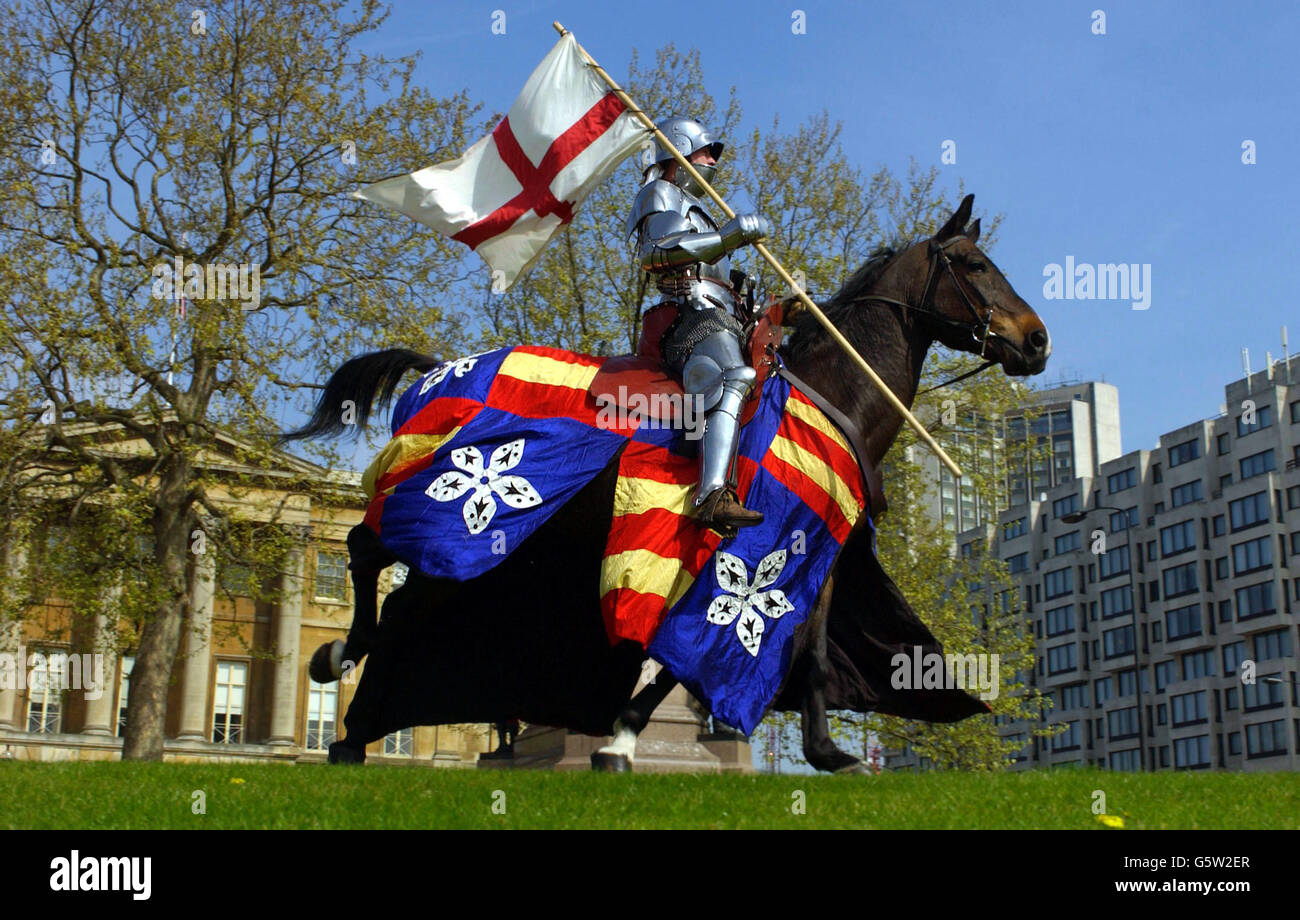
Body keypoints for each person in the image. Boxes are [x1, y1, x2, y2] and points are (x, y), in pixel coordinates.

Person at [626, 116, 772, 531]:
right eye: (706, 152)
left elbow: (720, 279)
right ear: (679, 156)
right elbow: (657, 252)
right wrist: (729, 237)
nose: (712, 162)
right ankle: (711, 494)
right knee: (734, 376)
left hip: (724, 315)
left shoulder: (702, 211)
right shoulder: (660, 194)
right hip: (689, 317)